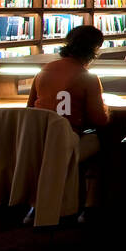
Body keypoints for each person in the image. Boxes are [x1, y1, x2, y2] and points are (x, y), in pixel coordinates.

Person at [27, 24, 109, 164]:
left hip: (39, 140)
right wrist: (105, 106)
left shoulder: (43, 70)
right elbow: (100, 119)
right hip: (68, 140)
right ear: (94, 50)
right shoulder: (87, 77)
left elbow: (29, 109)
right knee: (101, 140)